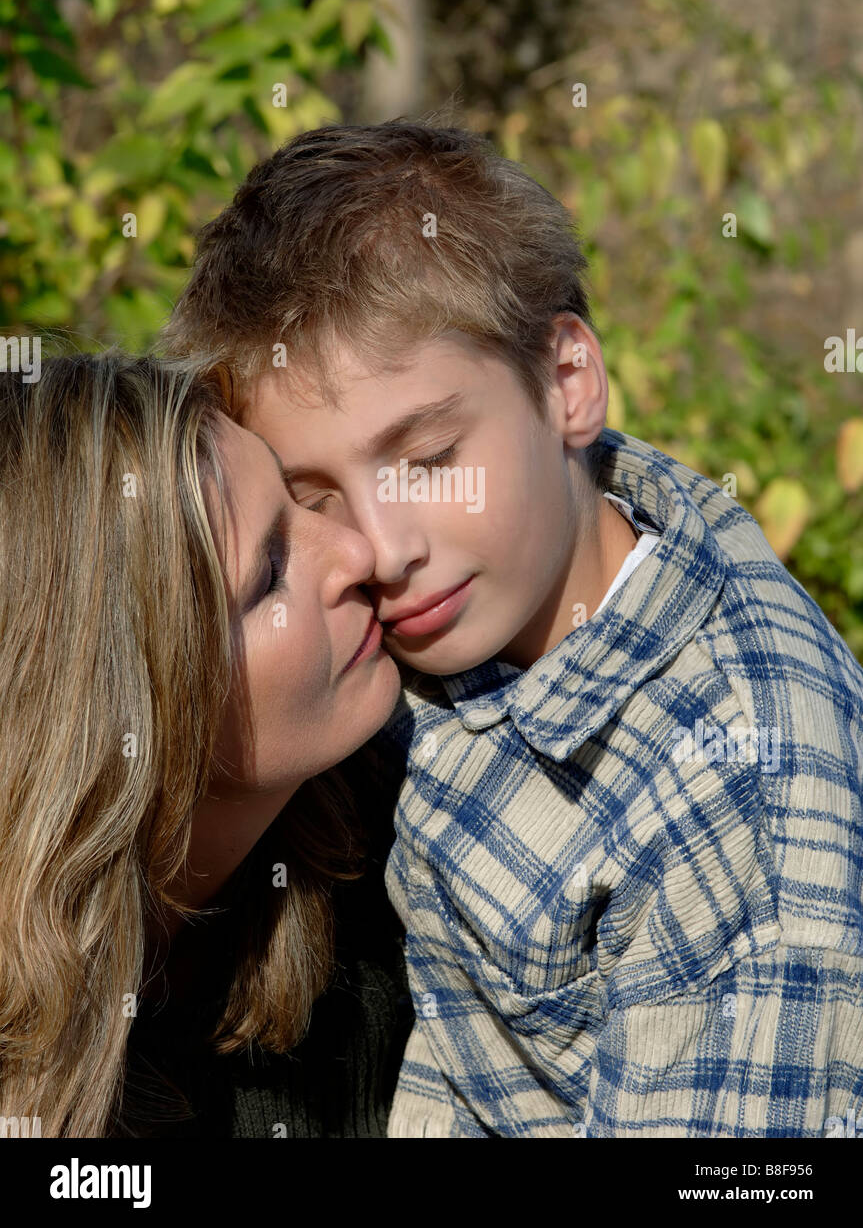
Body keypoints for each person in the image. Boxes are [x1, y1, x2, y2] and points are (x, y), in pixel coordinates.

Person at [160, 119, 863, 1138]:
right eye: (313, 496)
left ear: (566, 381)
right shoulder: (466, 606)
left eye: (430, 456)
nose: (379, 547)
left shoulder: (738, 789)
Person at [0, 351, 412, 1138]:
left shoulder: (417, 839)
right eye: (270, 575)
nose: (360, 553)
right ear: (121, 706)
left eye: (300, 496)